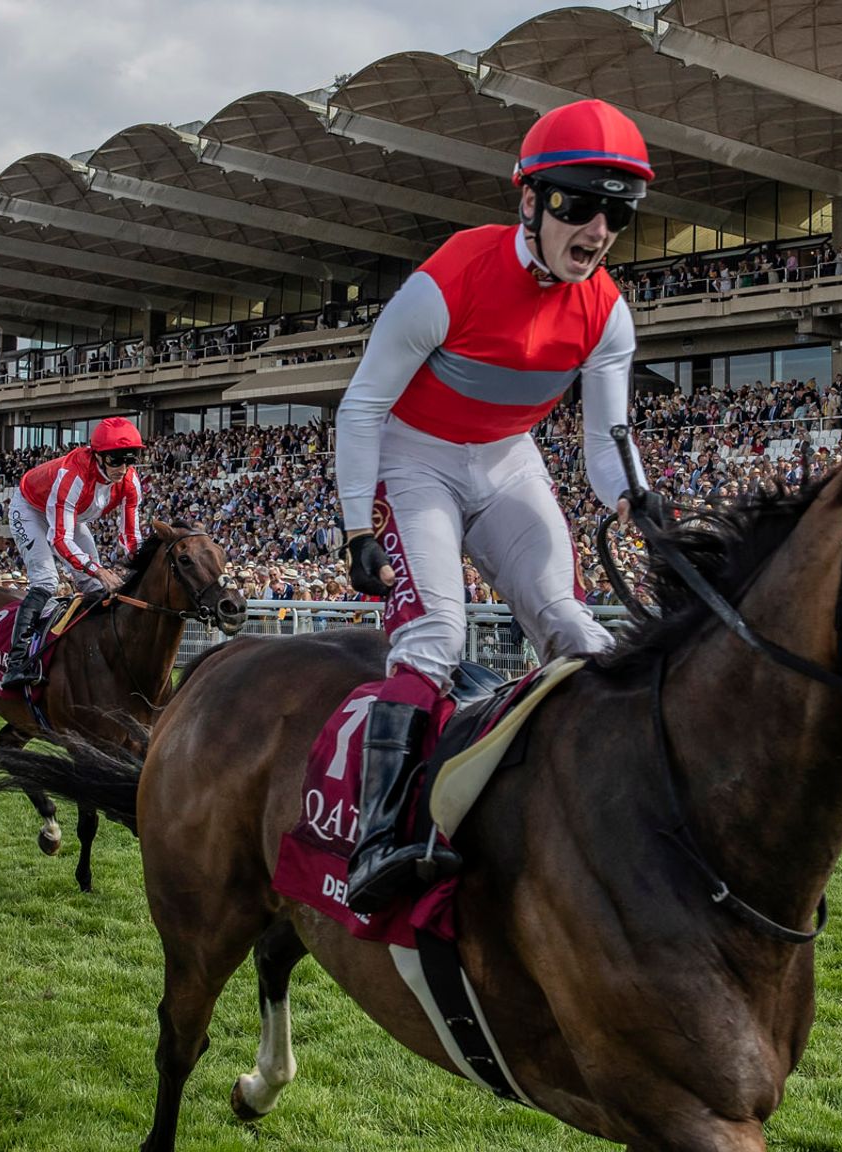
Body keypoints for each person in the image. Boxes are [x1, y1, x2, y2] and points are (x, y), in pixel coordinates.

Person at [334, 98, 650, 912]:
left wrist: (636, 504)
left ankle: (616, 818)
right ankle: (378, 838)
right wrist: (355, 527)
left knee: (576, 629)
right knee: (439, 633)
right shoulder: (450, 277)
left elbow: (607, 439)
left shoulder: (608, 309)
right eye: (577, 205)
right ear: (530, 200)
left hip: (510, 462)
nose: (596, 229)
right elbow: (363, 405)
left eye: (615, 211)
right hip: (416, 462)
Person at [1, 417, 147, 689]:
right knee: (47, 581)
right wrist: (99, 569)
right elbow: (59, 539)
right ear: (99, 457)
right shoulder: (75, 475)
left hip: (71, 516)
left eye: (129, 459)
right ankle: (17, 663)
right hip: (31, 510)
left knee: (94, 587)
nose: (123, 468)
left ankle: (90, 655)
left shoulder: (129, 480)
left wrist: (141, 566)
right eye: (115, 460)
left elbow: (130, 536)